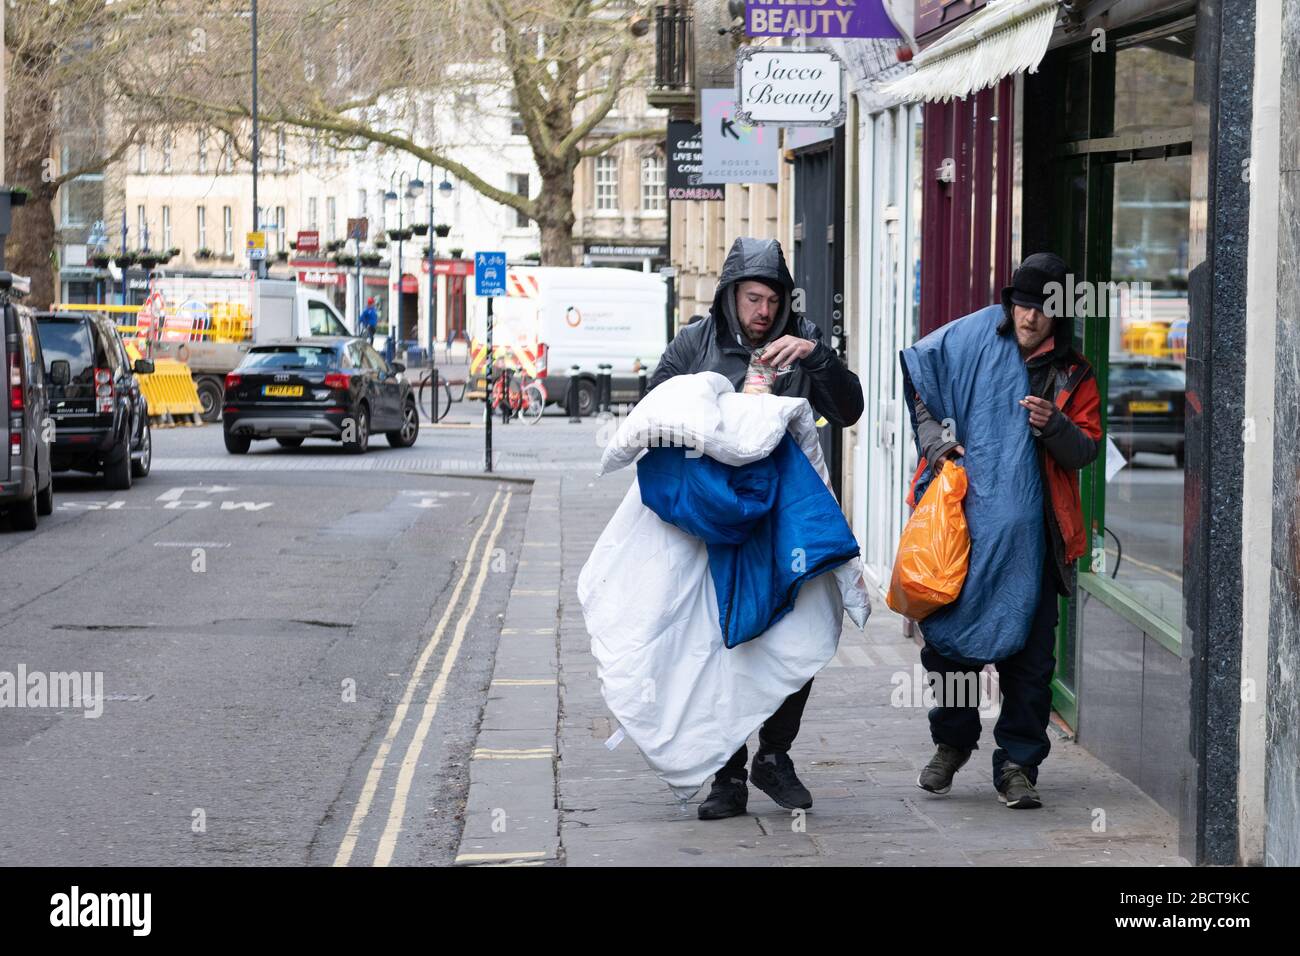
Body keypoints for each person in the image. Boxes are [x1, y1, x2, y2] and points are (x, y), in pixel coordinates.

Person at [650, 236, 864, 820]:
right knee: (722, 645)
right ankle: (727, 776)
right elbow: (651, 414)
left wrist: (817, 357)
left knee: (800, 635)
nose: (763, 311)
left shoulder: (804, 341)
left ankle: (774, 755)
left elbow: (849, 411)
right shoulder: (695, 343)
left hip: (785, 520)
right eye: (751, 298)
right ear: (729, 296)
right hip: (717, 520)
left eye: (772, 299)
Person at [909, 252, 1101, 809]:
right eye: (1022, 304)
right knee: (949, 649)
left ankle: (1018, 764)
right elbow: (923, 392)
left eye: (1042, 309)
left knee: (1031, 660)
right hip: (961, 532)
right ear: (1009, 302)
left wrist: (1055, 425)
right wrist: (938, 442)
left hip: (1036, 541)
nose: (1030, 318)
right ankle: (952, 744)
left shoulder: (1074, 373)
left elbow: (1085, 450)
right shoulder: (970, 345)